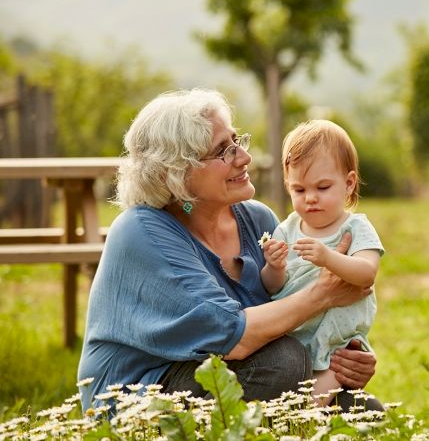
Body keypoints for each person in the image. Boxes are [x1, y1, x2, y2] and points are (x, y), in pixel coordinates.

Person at [77, 89, 379, 411]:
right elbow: (233, 336)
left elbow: (288, 309)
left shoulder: (257, 218)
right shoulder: (141, 231)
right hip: (141, 395)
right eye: (223, 151)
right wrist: (325, 294)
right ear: (177, 172)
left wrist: (345, 355)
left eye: (237, 141)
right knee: (283, 362)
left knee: (362, 410)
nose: (244, 157)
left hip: (233, 373)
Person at [261, 119, 383, 406]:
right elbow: (271, 287)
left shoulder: (355, 228)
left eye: (323, 187)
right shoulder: (286, 229)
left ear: (349, 183)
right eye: (299, 190)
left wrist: (329, 257)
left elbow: (366, 274)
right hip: (296, 333)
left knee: (310, 403)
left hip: (337, 342)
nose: (311, 198)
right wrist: (274, 268)